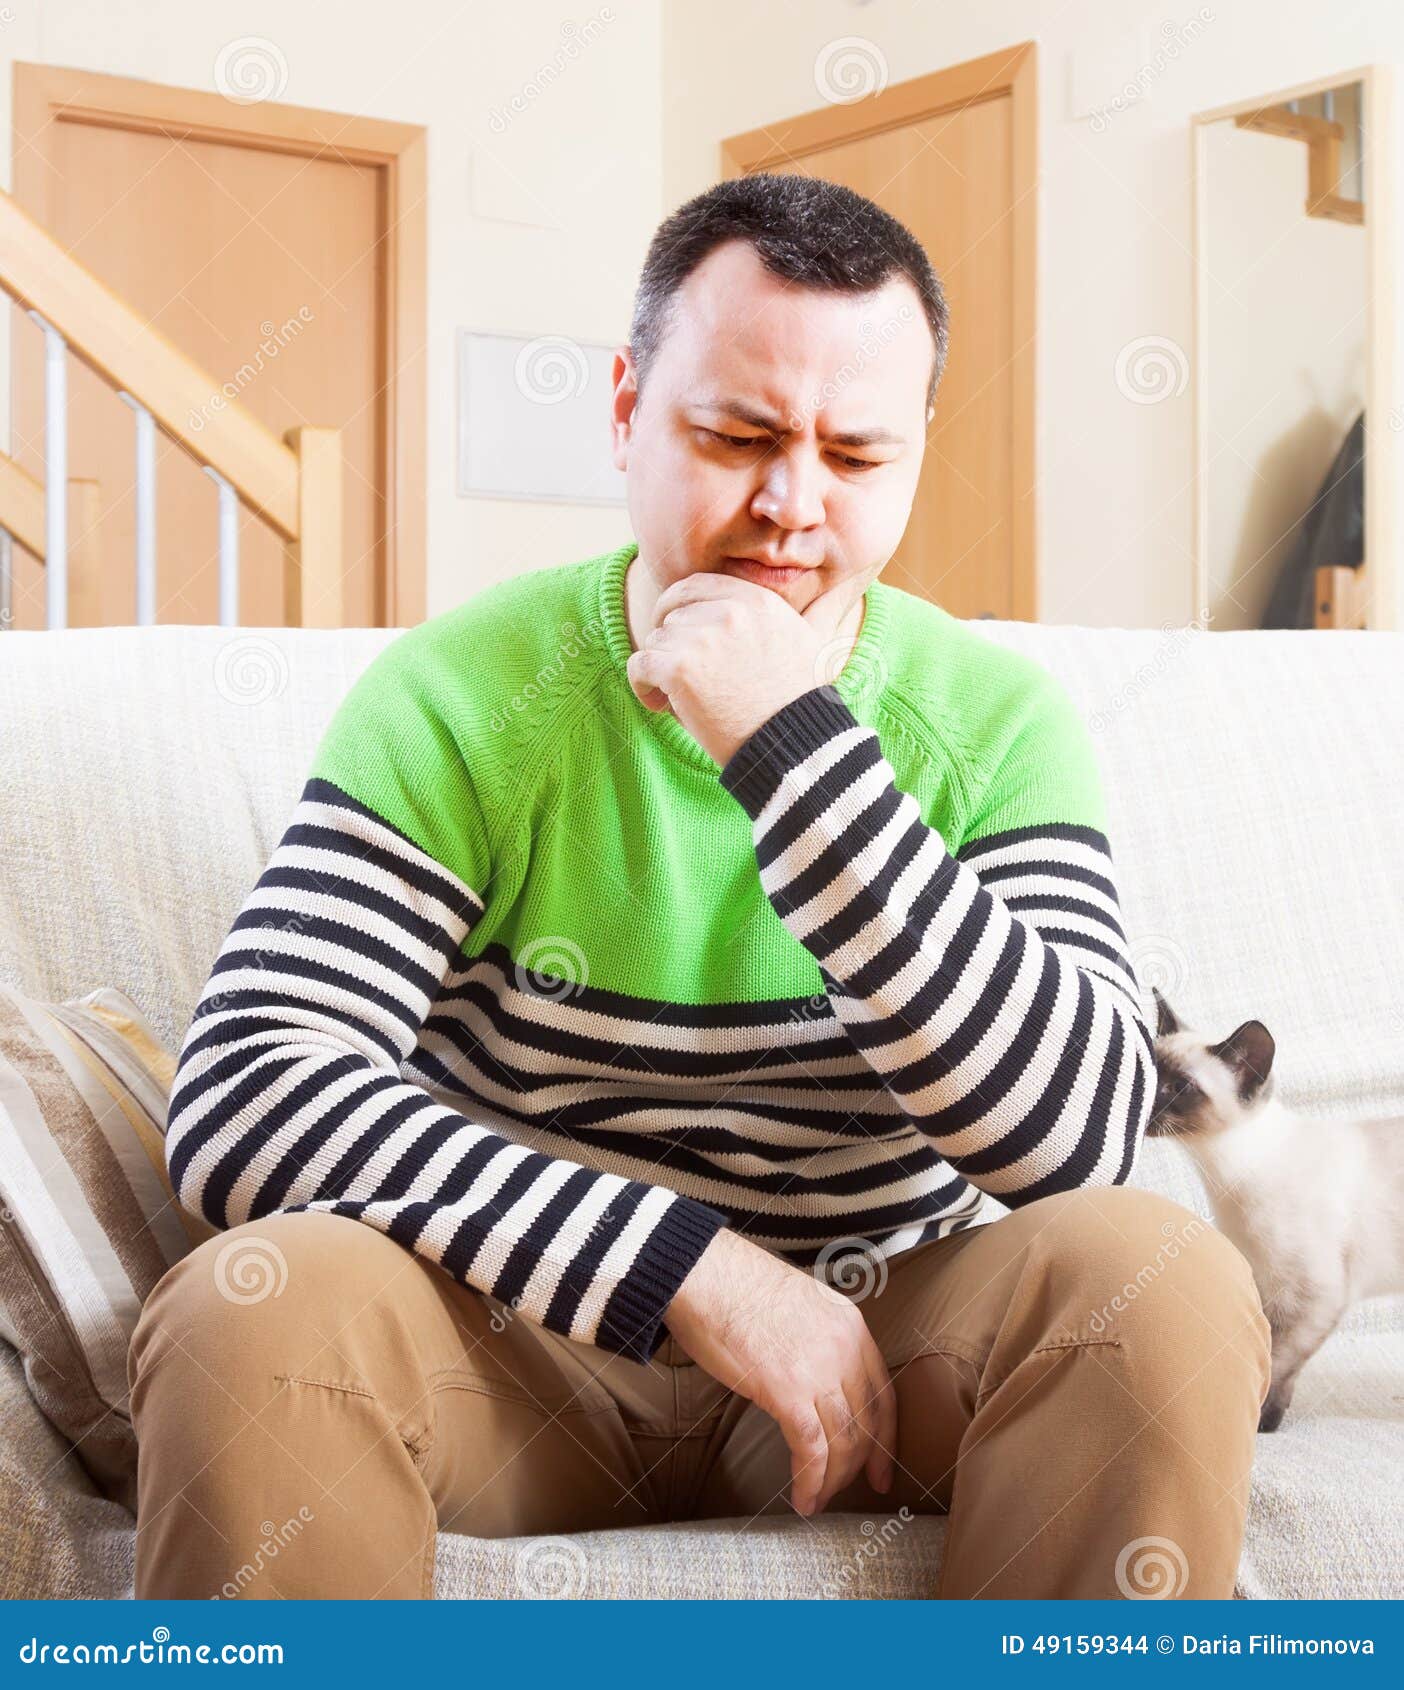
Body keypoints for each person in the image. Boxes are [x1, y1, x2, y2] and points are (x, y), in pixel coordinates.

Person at [128, 172, 1272, 1601]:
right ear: (623, 409)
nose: (792, 506)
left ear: (919, 449)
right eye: (737, 435)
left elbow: (1077, 1142)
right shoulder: (467, 689)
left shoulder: (996, 723)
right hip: (516, 1343)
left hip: (887, 1353)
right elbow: (250, 1089)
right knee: (258, 1314)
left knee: (1156, 1277)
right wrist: (698, 1274)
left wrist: (795, 750)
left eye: (856, 456)